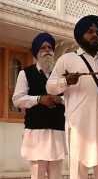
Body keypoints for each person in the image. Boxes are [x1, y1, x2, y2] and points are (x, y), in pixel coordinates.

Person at [46, 15, 98, 179]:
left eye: (97, 32)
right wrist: (66, 81)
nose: (95, 35)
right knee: (78, 172)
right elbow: (50, 87)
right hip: (78, 127)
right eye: (90, 32)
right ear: (80, 35)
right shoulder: (68, 59)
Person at [12, 32, 66, 179]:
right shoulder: (26, 73)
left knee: (56, 175)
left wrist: (60, 100)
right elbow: (17, 99)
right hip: (36, 133)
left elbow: (71, 99)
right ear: (36, 52)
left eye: (50, 47)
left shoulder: (61, 75)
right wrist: (39, 99)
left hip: (57, 132)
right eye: (43, 48)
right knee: (38, 175)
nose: (47, 50)